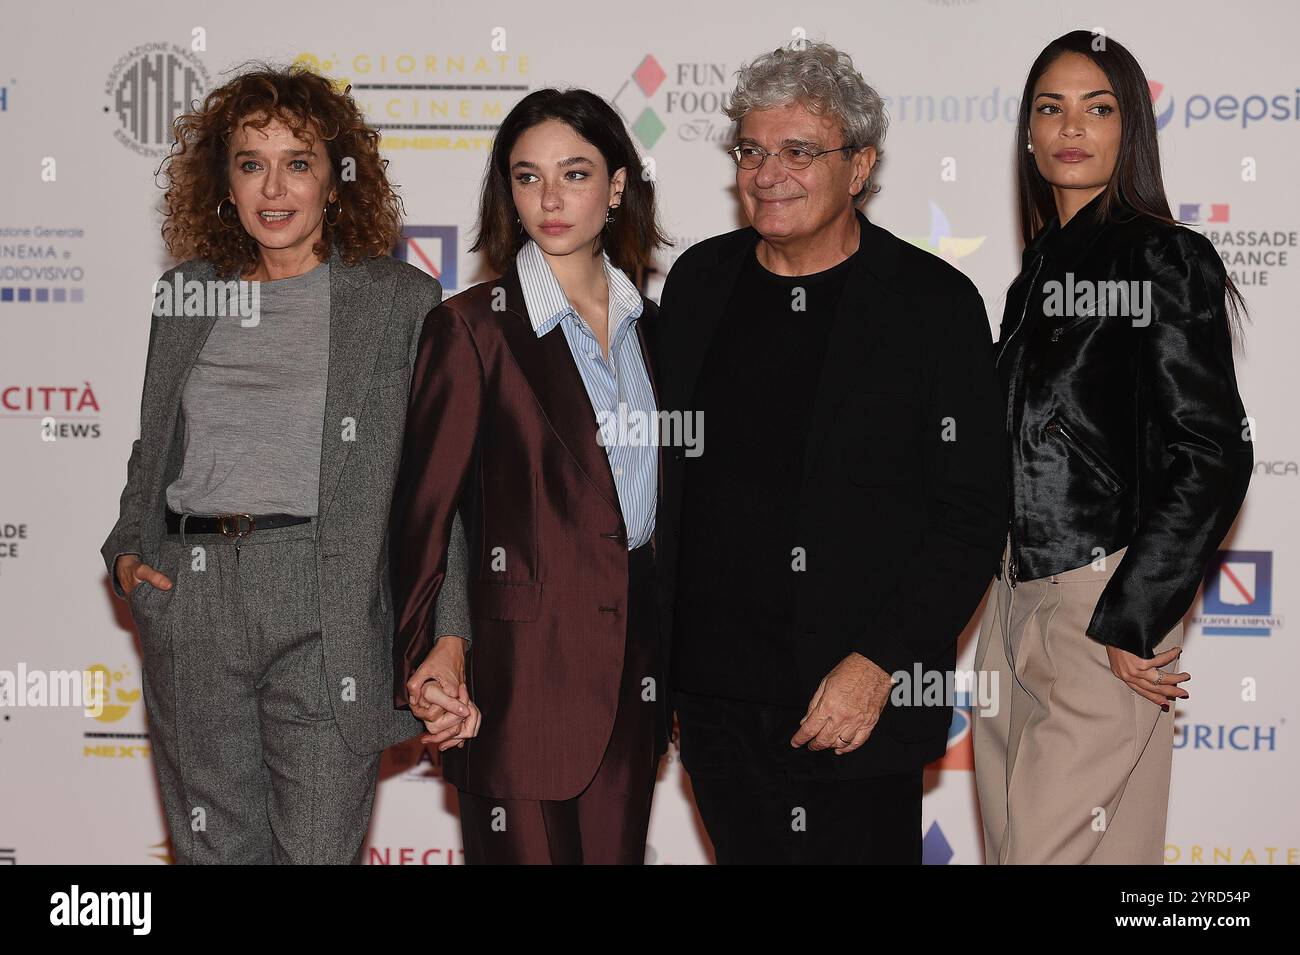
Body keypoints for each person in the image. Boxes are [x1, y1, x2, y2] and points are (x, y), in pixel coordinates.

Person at [101, 64, 470, 864]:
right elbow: (152, 447)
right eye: (249, 162)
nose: (274, 187)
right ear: (223, 184)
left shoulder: (396, 300)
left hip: (325, 600)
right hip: (191, 595)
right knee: (214, 853)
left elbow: (440, 488)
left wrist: (450, 633)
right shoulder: (186, 295)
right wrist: (129, 552)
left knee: (314, 851)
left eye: (297, 162)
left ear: (336, 182)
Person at [654, 41, 1007, 864]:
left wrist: (877, 667)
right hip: (715, 701)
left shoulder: (932, 304)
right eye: (752, 150)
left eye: (799, 151)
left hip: (853, 703)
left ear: (860, 166)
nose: (768, 172)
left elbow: (970, 514)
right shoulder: (700, 282)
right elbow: (668, 487)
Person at [972, 30, 1254, 865]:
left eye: (1098, 108)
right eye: (1049, 107)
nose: (1071, 126)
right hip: (1010, 605)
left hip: (1098, 611)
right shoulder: (1039, 270)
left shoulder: (1164, 254)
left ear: (1131, 127)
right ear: (1026, 131)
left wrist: (1133, 614)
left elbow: (1214, 447)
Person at [389, 88, 671, 864]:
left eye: (575, 173)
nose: (550, 198)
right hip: (515, 682)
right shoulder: (471, 328)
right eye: (527, 176)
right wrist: (429, 659)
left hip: (635, 677)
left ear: (616, 187)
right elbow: (424, 513)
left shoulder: (659, 330)